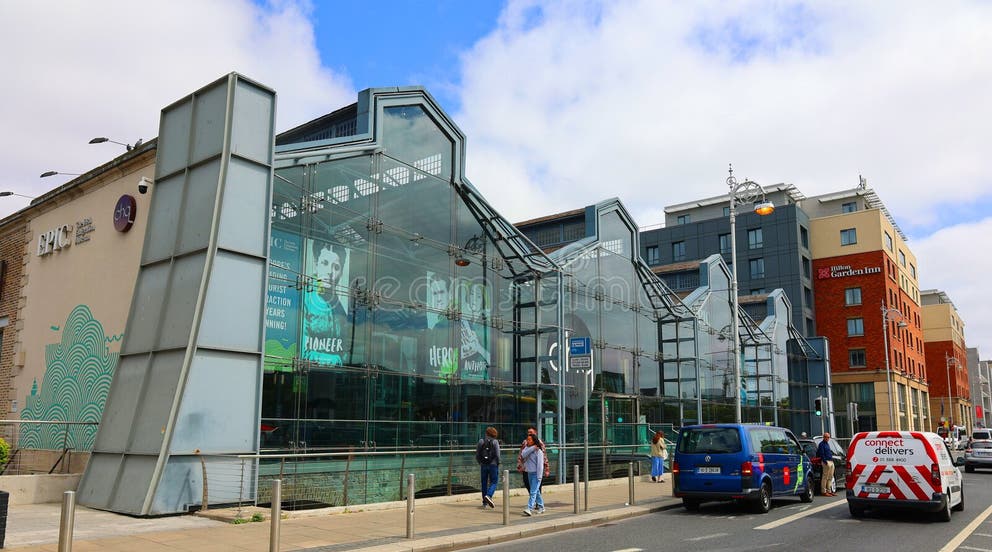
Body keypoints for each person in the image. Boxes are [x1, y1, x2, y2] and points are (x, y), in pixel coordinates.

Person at [520, 433, 546, 516]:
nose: (528, 441)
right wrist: (532, 448)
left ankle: (529, 508)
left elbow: (540, 465)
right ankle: (542, 507)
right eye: (527, 439)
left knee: (533, 492)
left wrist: (539, 476)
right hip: (529, 473)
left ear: (534, 441)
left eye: (530, 440)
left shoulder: (539, 451)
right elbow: (523, 455)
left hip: (536, 474)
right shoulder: (527, 448)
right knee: (536, 492)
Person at [517, 427, 549, 492]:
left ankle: (535, 501)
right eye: (528, 432)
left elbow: (544, 456)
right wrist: (519, 465)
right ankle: (535, 500)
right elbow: (521, 454)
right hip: (526, 468)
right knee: (527, 483)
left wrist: (547, 468)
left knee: (537, 486)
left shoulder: (539, 443)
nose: (529, 434)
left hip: (535, 468)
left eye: (531, 432)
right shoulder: (525, 442)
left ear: (535, 433)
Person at [476, 427, 501, 509]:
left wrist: (480, 462)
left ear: (486, 433)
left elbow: (477, 454)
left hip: (483, 465)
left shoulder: (481, 441)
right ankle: (489, 495)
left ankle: (484, 503)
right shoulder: (495, 442)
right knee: (494, 482)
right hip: (493, 464)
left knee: (484, 483)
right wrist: (498, 463)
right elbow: (497, 455)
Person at [817, 432, 836, 496]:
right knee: (825, 477)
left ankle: (829, 491)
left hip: (831, 461)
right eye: (826, 437)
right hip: (826, 462)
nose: (827, 438)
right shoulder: (821, 444)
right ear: (824, 437)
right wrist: (825, 462)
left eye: (828, 437)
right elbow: (821, 454)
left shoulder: (827, 444)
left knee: (830, 477)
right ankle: (824, 491)